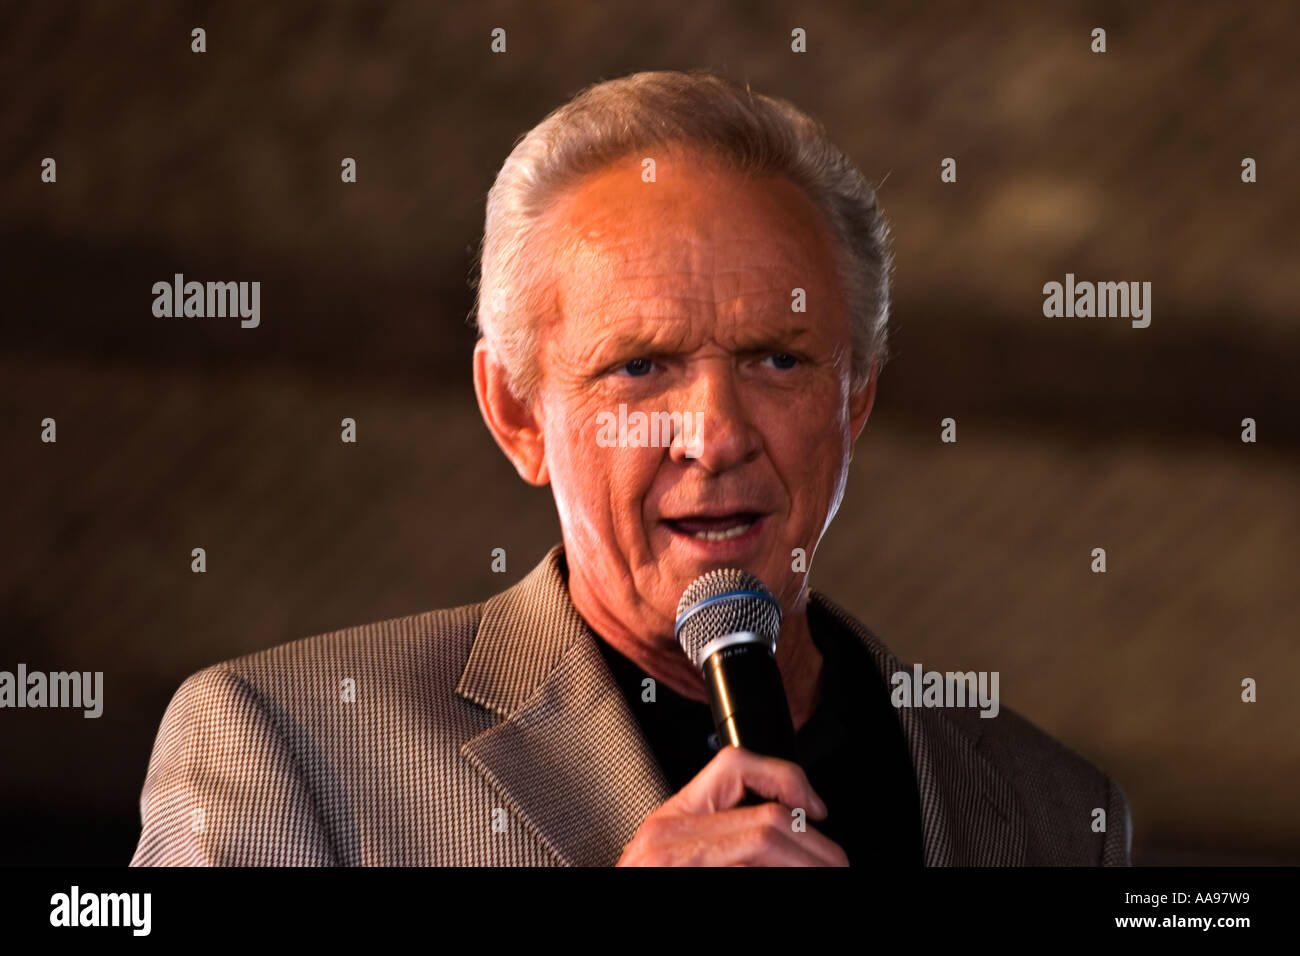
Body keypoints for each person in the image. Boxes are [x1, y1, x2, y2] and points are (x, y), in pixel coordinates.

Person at [130, 69, 1132, 867]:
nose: (715, 433)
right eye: (639, 366)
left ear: (855, 395)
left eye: (777, 358)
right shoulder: (288, 746)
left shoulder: (1051, 809)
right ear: (518, 413)